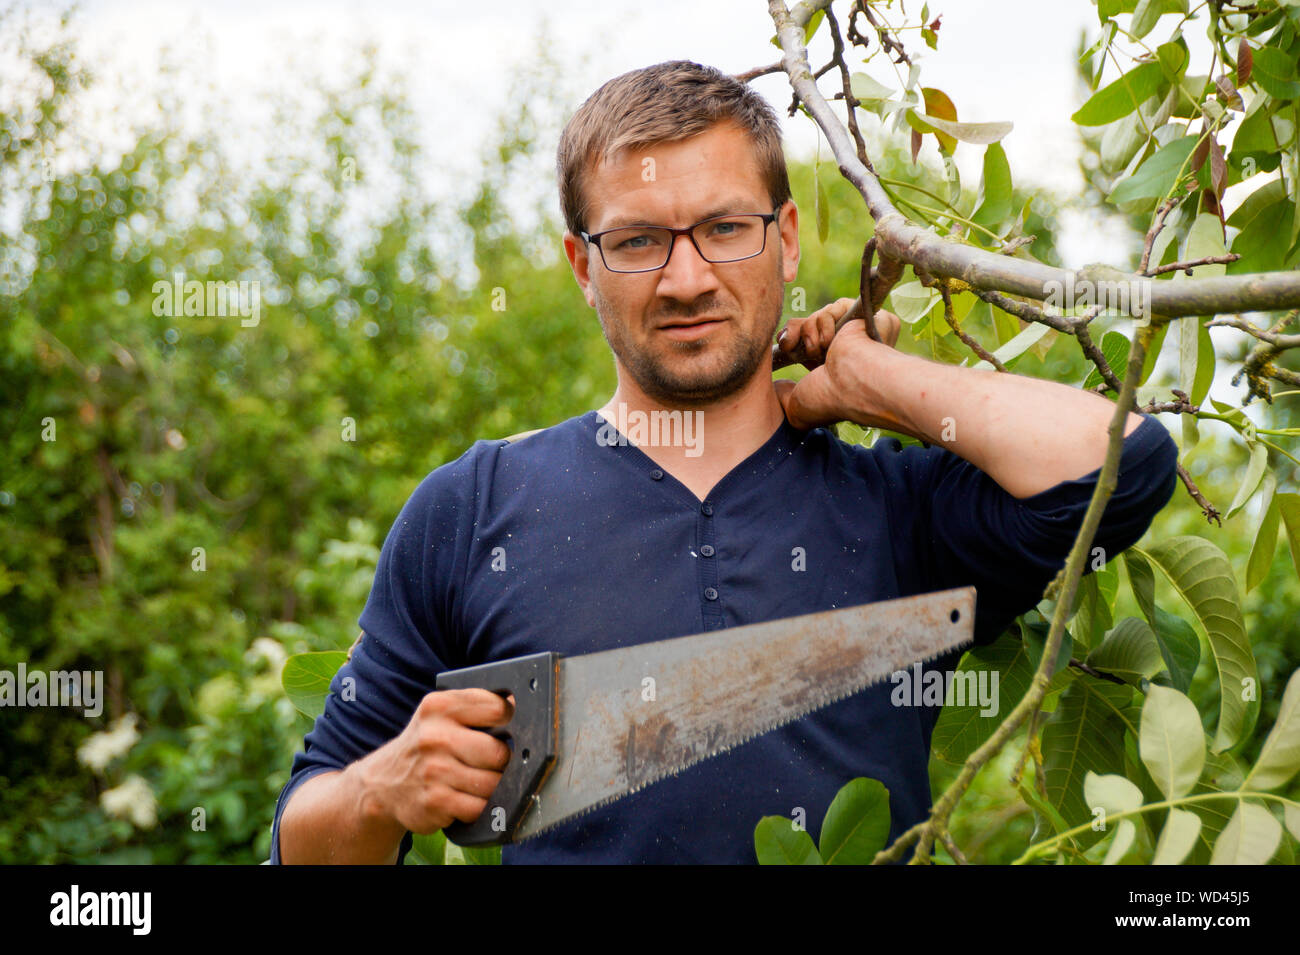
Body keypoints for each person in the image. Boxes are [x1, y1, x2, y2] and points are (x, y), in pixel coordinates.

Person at [272, 60, 1178, 864]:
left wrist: (872, 377)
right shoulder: (472, 509)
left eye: (724, 228)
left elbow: (1127, 460)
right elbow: (299, 842)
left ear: (785, 238)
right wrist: (381, 790)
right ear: (582, 268)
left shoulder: (900, 509)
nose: (687, 278)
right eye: (637, 241)